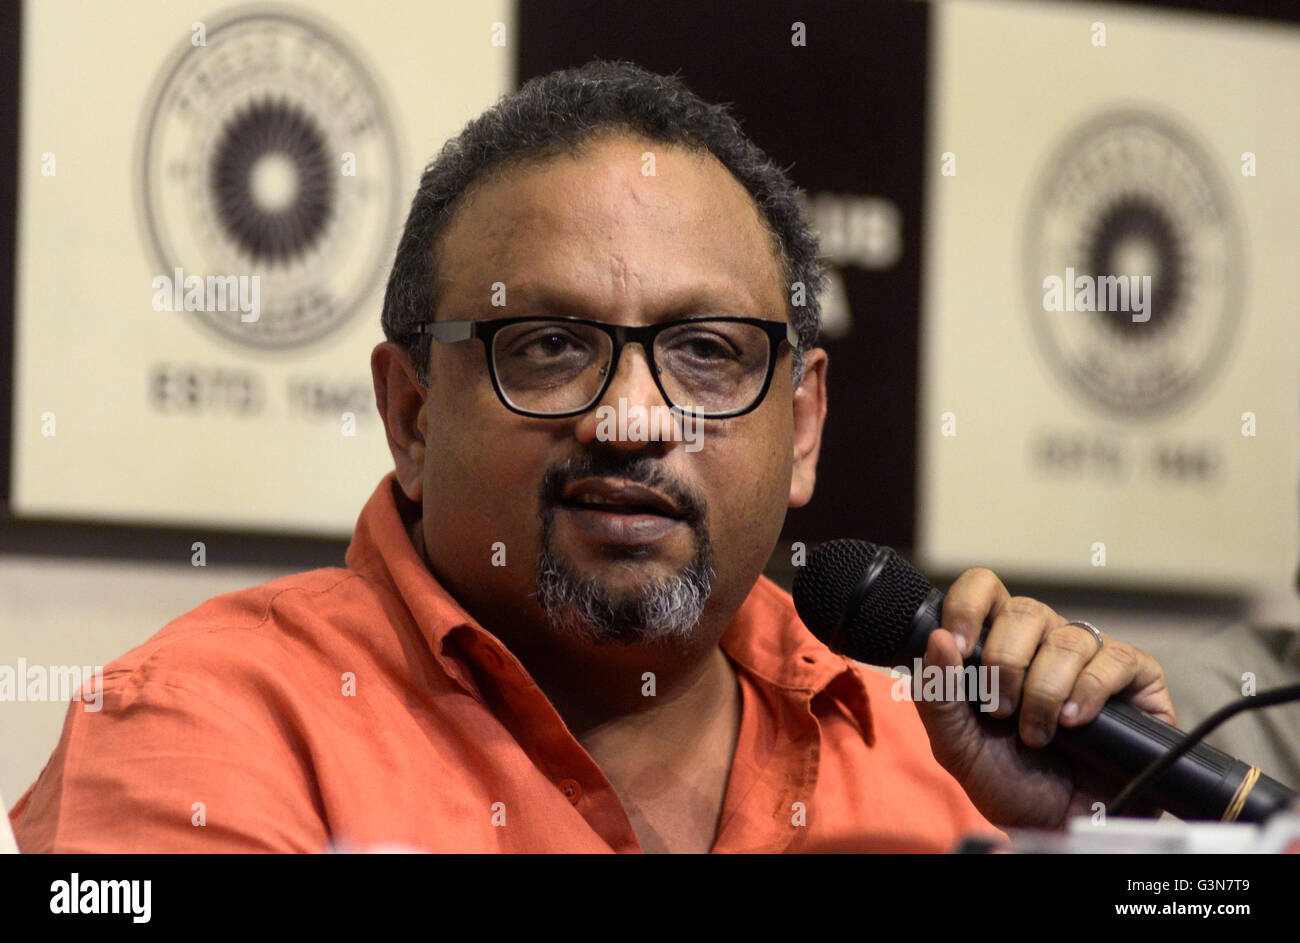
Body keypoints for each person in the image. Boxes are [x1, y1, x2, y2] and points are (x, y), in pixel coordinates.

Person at [9, 60, 1175, 853]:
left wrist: (1121, 840)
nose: (629, 418)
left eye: (708, 351)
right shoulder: (204, 723)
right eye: (552, 345)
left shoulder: (935, 757)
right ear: (410, 414)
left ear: (804, 424)